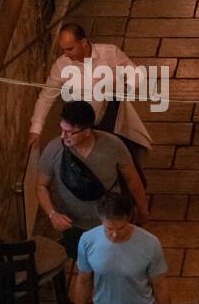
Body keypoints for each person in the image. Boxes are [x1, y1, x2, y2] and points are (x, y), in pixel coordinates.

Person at [28, 22, 151, 173]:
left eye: (70, 48)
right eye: (63, 49)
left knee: (124, 159)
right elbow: (46, 97)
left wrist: (125, 87)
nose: (66, 54)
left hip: (110, 116)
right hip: (82, 125)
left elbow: (136, 74)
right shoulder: (61, 66)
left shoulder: (110, 53)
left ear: (83, 42)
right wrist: (36, 129)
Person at [37, 101, 149, 260]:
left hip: (111, 222)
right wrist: (52, 214)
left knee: (114, 261)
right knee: (82, 266)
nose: (63, 136)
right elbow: (41, 185)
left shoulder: (113, 145)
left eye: (70, 132)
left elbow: (132, 181)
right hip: (74, 225)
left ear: (88, 131)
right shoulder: (53, 149)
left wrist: (142, 210)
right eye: (62, 129)